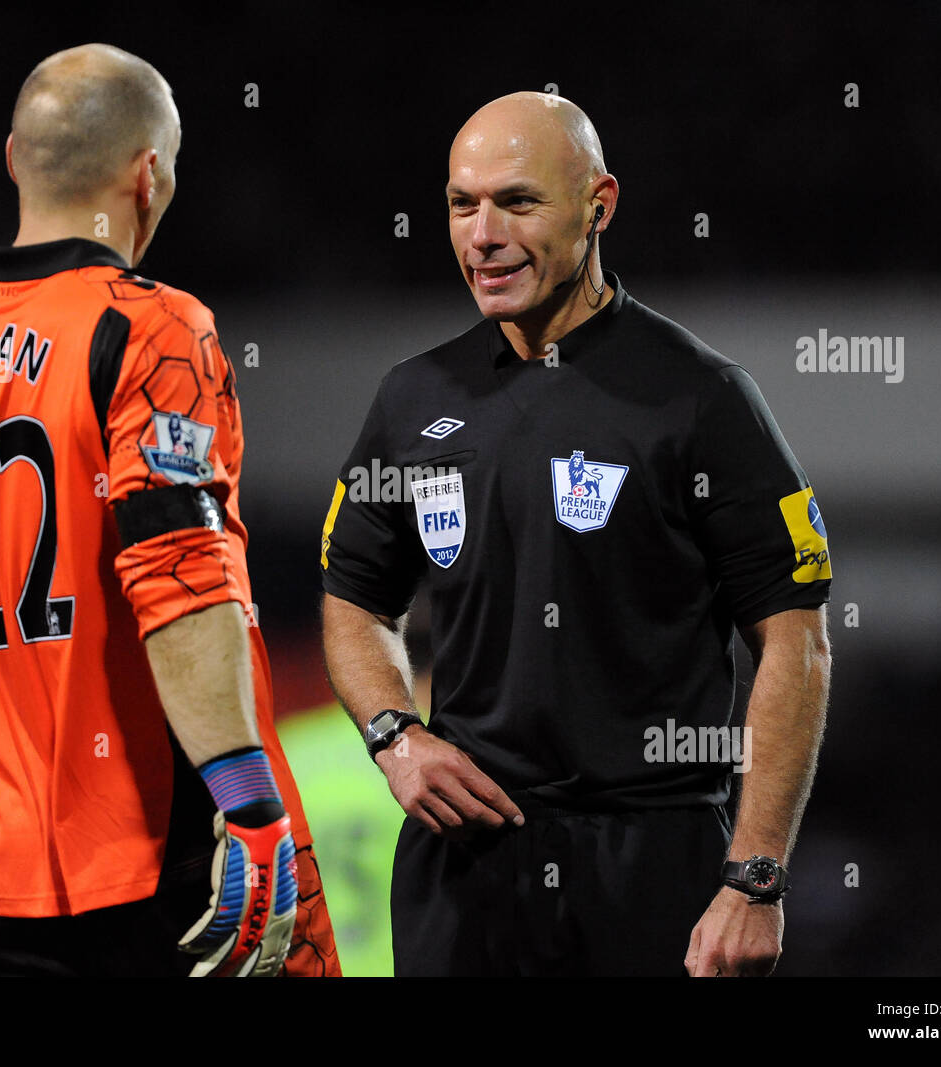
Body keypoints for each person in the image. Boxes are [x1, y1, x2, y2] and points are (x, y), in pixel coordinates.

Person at [319, 91, 831, 977]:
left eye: (518, 202)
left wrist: (755, 880)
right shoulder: (413, 399)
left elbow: (798, 643)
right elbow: (354, 595)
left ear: (600, 206)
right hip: (463, 859)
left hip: (649, 863)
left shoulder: (701, 398)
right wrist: (394, 735)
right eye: (461, 204)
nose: (483, 234)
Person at [0, 43, 339, 977]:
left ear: (13, 158)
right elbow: (181, 580)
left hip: (15, 884)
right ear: (150, 175)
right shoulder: (154, 325)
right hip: (178, 855)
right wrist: (248, 805)